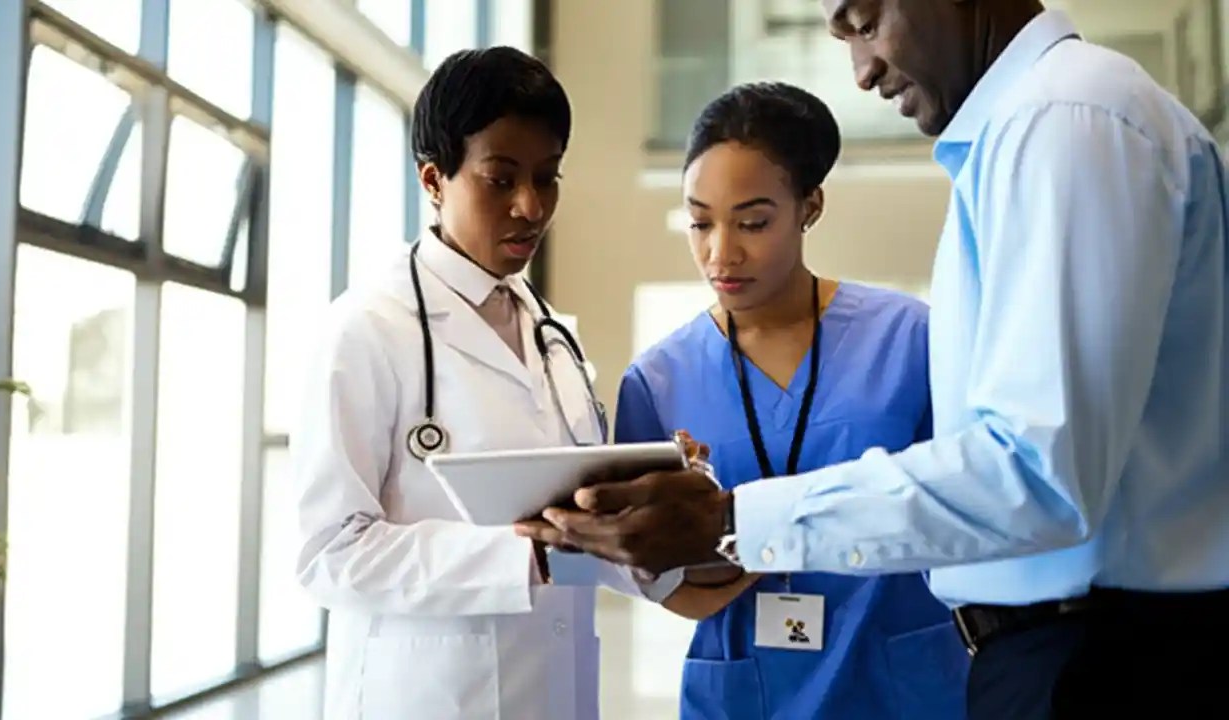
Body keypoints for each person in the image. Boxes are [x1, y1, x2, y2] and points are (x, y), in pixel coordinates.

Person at [518, 2, 1229, 717]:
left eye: (865, 21)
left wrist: (734, 520)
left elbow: (1035, 471)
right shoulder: (1037, 131)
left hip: (1094, 653)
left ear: (808, 208)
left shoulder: (1067, 124)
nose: (862, 71)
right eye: (700, 221)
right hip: (1060, 650)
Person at [291, 46, 674, 720]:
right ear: (435, 179)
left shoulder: (552, 331)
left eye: (548, 177)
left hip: (554, 687)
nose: (531, 206)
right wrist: (528, 556)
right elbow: (330, 551)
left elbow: (574, 506)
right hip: (429, 697)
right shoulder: (365, 330)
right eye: (501, 179)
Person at [613, 82, 967, 719]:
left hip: (900, 683)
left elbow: (967, 508)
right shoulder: (658, 381)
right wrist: (745, 540)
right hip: (744, 691)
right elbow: (659, 579)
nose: (721, 252)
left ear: (809, 206)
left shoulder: (911, 339)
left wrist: (765, 527)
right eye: (700, 222)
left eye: (753, 222)